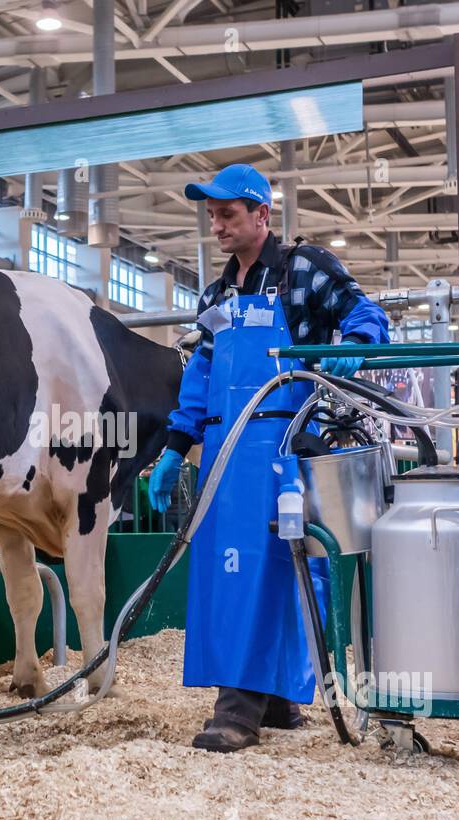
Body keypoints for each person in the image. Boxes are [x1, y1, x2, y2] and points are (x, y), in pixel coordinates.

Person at [147, 163, 390, 753]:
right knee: (230, 575)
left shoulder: (305, 269)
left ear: (262, 214)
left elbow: (368, 314)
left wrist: (354, 348)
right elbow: (201, 374)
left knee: (270, 572)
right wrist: (175, 448)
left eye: (228, 215)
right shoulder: (218, 294)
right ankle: (278, 699)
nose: (217, 226)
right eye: (212, 216)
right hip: (225, 453)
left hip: (283, 447)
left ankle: (237, 711)